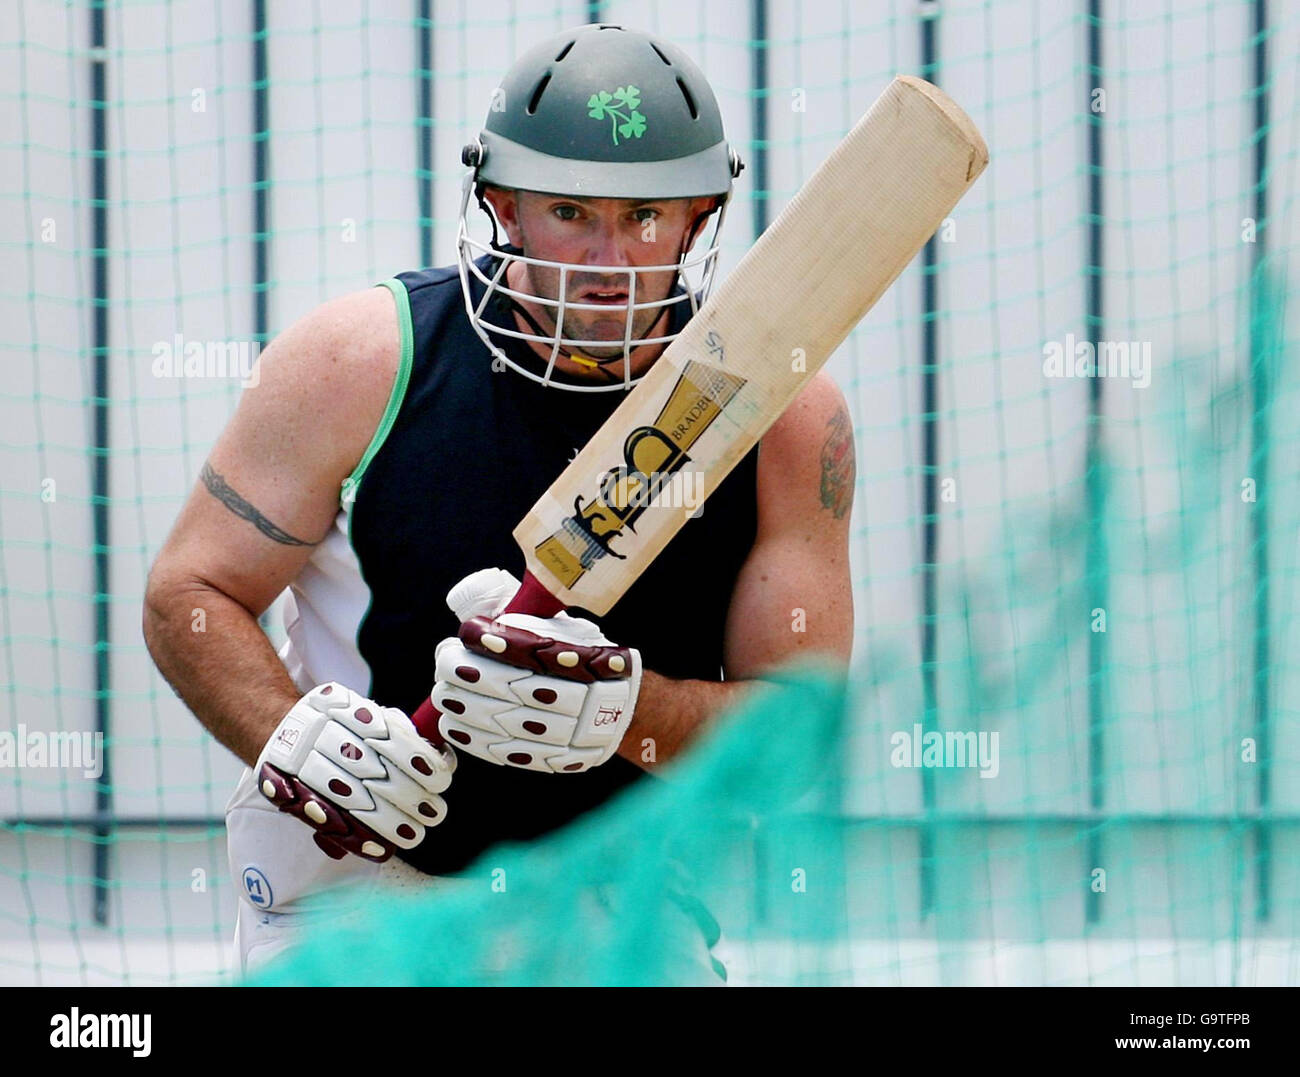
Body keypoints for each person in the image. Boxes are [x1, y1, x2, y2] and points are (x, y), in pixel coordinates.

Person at [142, 23, 854, 980]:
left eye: (646, 217)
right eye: (570, 210)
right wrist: (291, 732)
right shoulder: (360, 361)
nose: (609, 260)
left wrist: (627, 711)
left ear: (700, 215)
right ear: (503, 204)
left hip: (617, 903)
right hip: (356, 889)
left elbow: (796, 731)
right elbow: (187, 593)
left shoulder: (783, 411)